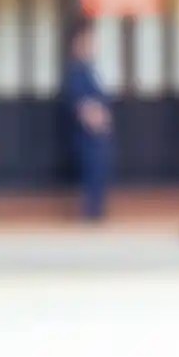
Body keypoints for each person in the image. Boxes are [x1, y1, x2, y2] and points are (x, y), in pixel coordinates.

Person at [62, 18, 113, 221]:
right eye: (88, 42)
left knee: (100, 172)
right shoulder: (76, 72)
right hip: (85, 135)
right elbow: (80, 104)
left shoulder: (90, 71)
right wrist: (96, 118)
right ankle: (91, 214)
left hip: (98, 135)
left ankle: (96, 212)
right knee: (92, 172)